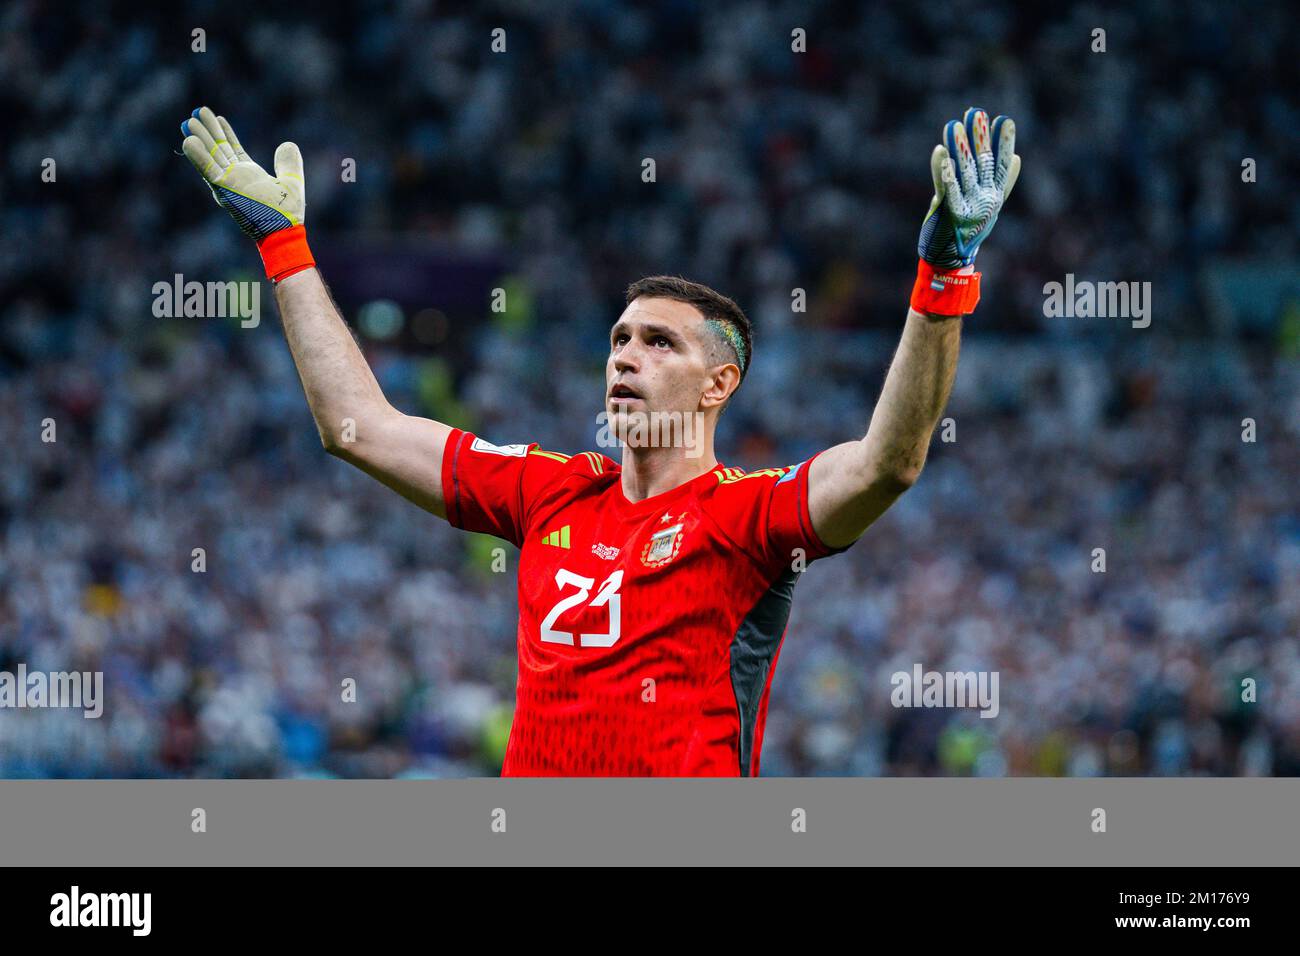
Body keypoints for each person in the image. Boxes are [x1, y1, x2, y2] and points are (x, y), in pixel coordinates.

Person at [178, 104, 1020, 775]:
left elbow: (888, 462)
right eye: (619, 339)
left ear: (719, 383)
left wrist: (944, 274)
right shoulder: (550, 489)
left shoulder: (749, 518)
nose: (626, 356)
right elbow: (356, 428)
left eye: (660, 343)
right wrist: (282, 245)